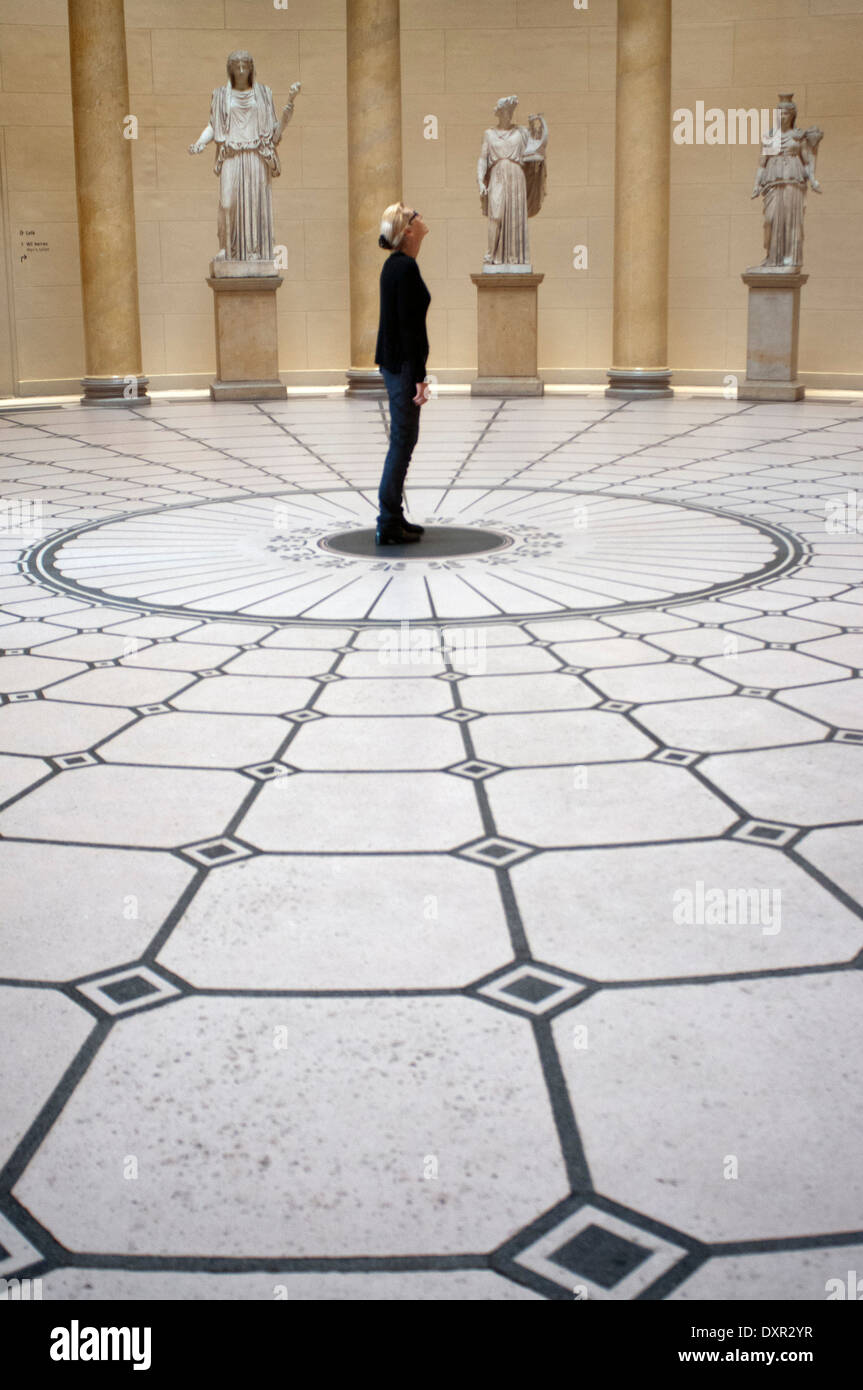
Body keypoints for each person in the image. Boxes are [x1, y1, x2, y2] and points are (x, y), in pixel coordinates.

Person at [189, 51, 300, 263]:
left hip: (256, 156)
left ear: (251, 69)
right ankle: (227, 249)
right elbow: (214, 126)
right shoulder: (221, 95)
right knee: (227, 203)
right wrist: (200, 143)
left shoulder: (263, 94)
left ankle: (253, 252)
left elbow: (275, 130)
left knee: (255, 207)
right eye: (237, 66)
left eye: (245, 66)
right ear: (230, 69)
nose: (241, 71)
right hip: (231, 155)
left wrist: (290, 102)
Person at [374, 203, 431, 546]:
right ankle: (388, 520)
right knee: (402, 441)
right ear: (407, 230)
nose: (421, 217)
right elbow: (410, 329)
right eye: (415, 215)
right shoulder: (404, 268)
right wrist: (420, 377)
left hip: (396, 364)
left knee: (403, 440)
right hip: (403, 366)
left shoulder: (396, 266)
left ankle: (393, 516)